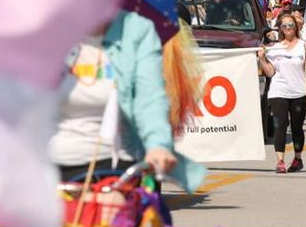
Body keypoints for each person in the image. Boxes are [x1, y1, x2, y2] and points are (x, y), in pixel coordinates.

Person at [52, 11, 201, 191]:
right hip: (44, 166)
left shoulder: (137, 31)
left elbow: (150, 98)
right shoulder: (44, 33)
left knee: (111, 214)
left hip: (114, 166)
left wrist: (157, 145)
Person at [258, 14, 306, 174]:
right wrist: (262, 59)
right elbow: (270, 73)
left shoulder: (305, 46)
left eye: (291, 25)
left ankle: (297, 159)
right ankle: (280, 161)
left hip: (298, 92)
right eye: (284, 26)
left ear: (296, 27)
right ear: (280, 28)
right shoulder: (274, 48)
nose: (288, 29)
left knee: (297, 127)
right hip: (278, 92)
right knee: (280, 126)